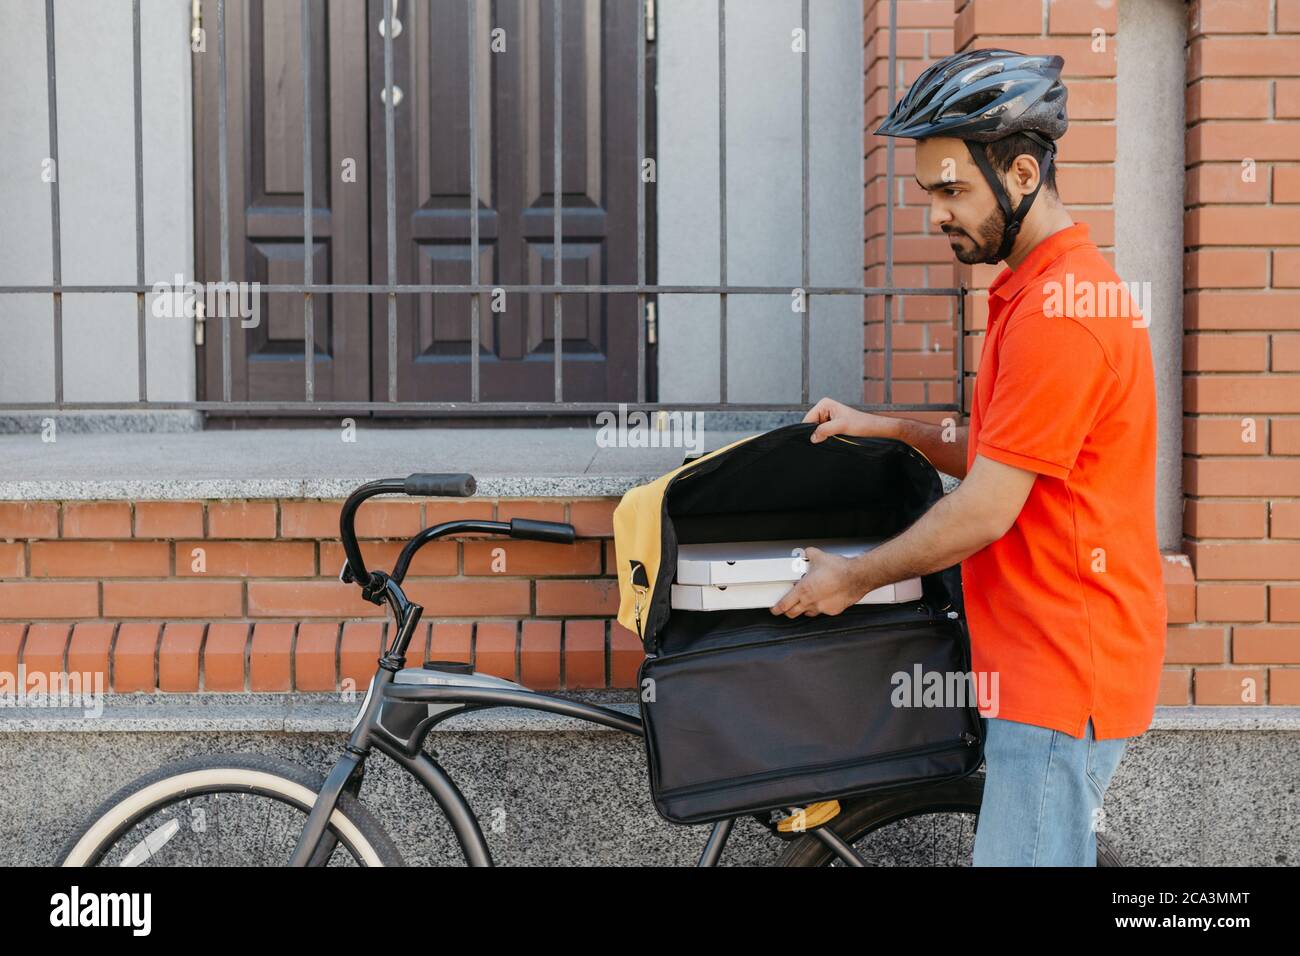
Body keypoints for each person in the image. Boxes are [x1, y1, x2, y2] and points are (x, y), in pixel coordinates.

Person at [769, 49, 1167, 866]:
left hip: (1060, 672)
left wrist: (851, 576)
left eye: (952, 191)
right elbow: (1006, 452)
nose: (937, 214)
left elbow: (988, 506)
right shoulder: (1035, 290)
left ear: (1021, 172)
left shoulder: (1061, 314)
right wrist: (889, 427)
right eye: (930, 193)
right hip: (1037, 664)